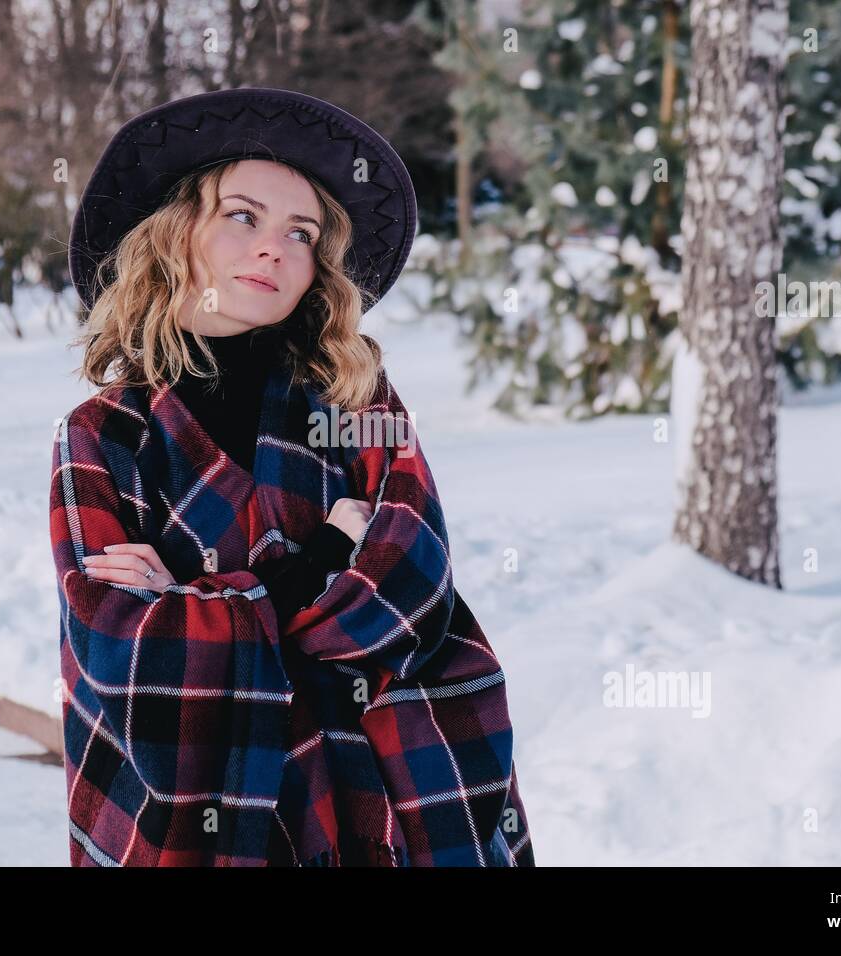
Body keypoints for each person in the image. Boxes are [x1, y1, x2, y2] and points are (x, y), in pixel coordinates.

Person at [53, 88, 534, 866]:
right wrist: (315, 566)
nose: (274, 247)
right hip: (202, 820)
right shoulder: (102, 437)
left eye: (300, 232)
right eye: (243, 216)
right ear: (177, 233)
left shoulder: (355, 400)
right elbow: (134, 660)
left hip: (381, 795)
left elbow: (411, 591)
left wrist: (200, 605)